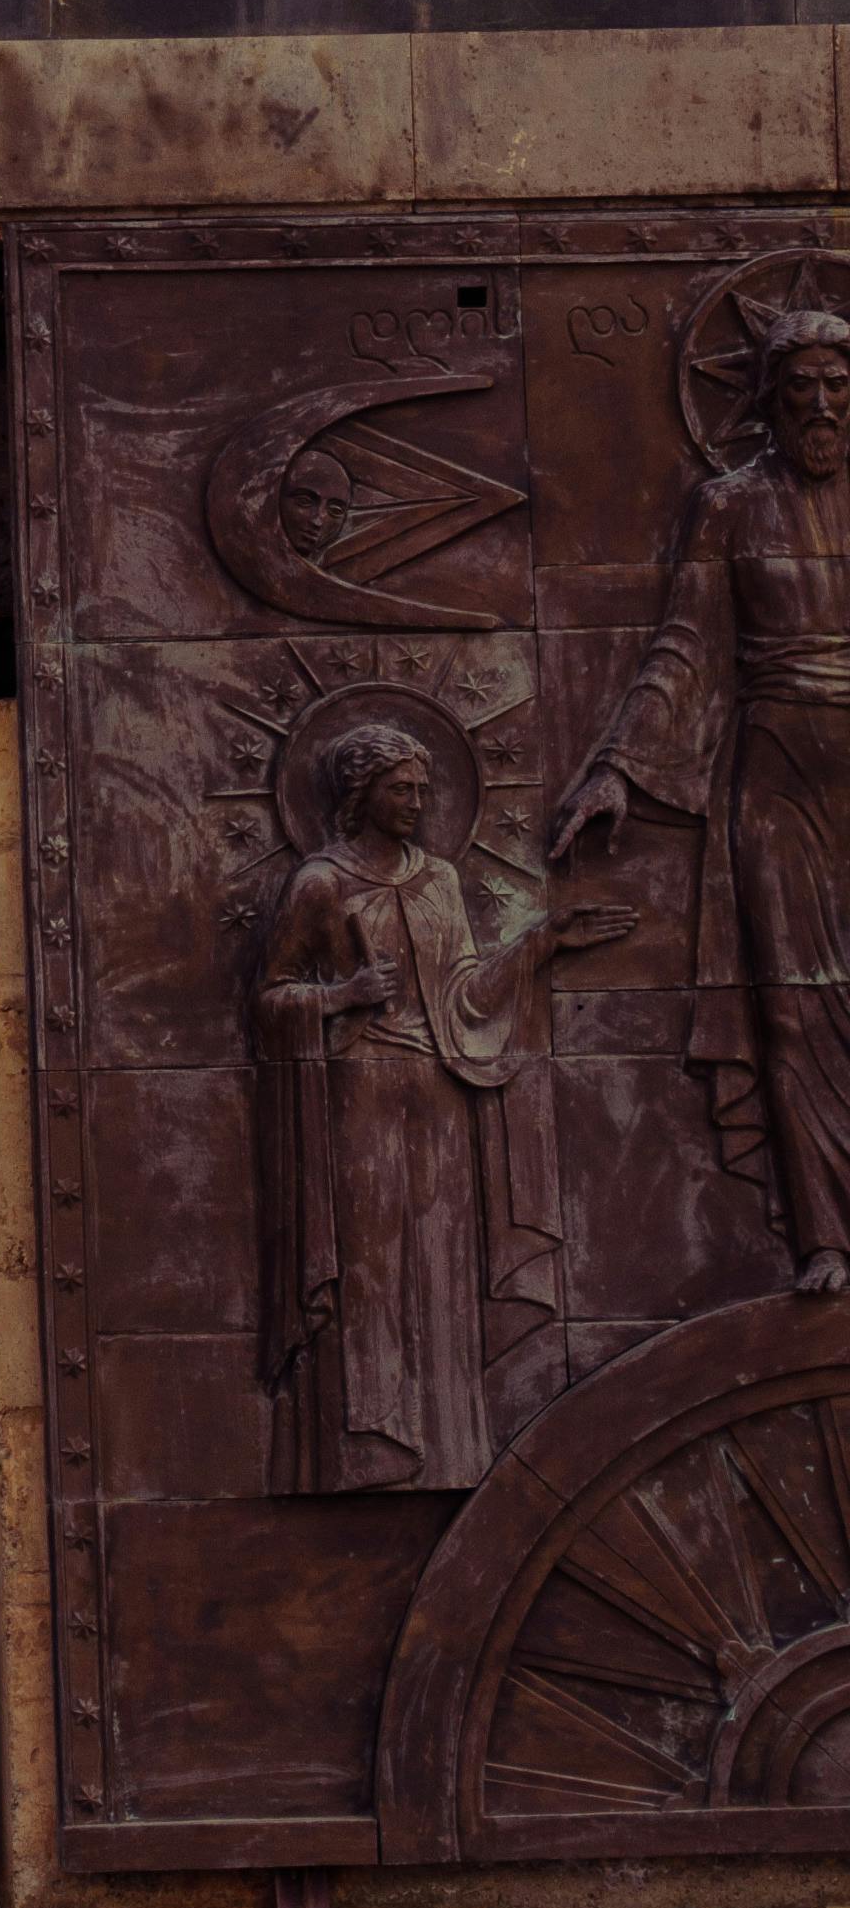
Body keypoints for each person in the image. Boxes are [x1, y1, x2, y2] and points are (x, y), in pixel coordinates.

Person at [554, 303, 850, 1289]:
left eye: (837, 383)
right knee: (796, 1004)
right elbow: (684, 642)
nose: (821, 403)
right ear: (767, 396)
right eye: (801, 383)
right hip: (777, 772)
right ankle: (825, 1240)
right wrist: (618, 763)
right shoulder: (729, 504)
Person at [257, 717, 625, 1493]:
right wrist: (340, 997)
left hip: (435, 1093)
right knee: (373, 1268)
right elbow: (271, 998)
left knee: (439, 1262)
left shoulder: (439, 880)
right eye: (401, 788)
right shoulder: (319, 883)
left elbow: (462, 992)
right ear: (361, 793)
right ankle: (370, 1446)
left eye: (423, 789)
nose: (417, 802)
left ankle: (449, 1449)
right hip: (360, 1094)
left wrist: (538, 943)